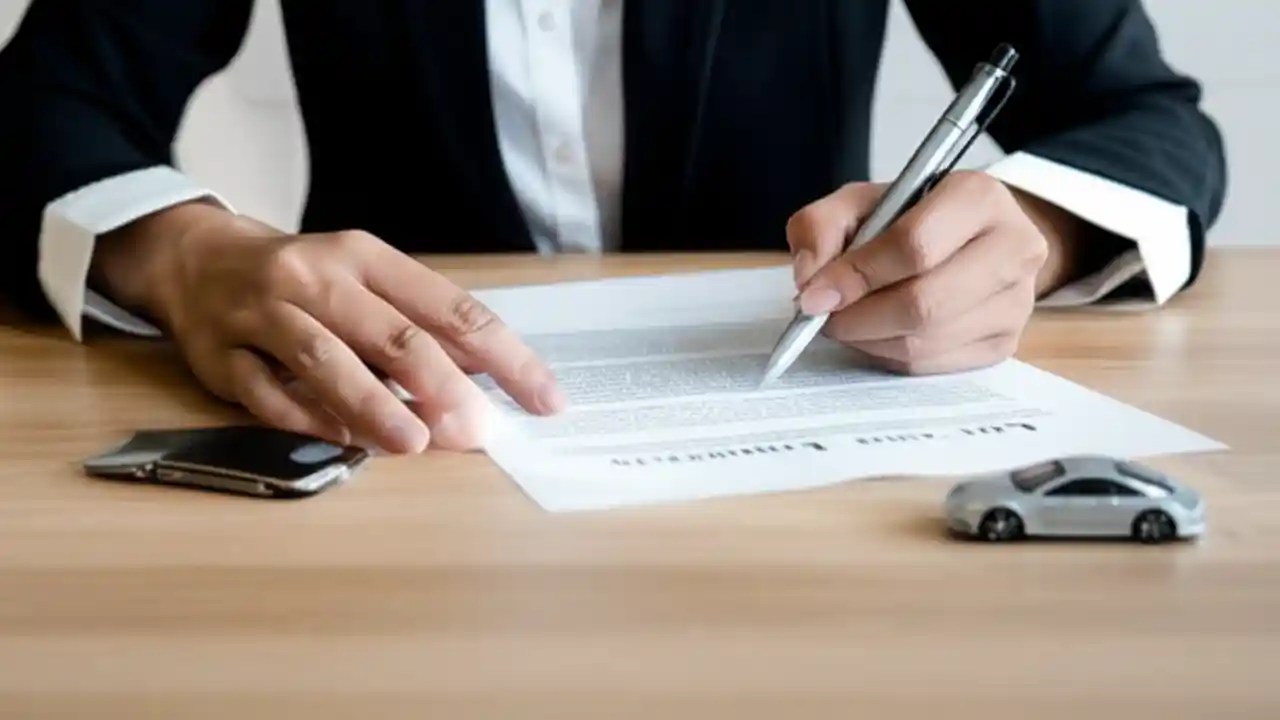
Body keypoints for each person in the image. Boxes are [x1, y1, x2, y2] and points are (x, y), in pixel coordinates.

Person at [0, 1, 1226, 455]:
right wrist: (182, 250)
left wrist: (1030, 227)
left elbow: (1141, 116)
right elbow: (44, 104)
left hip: (795, 478)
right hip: (393, 438)